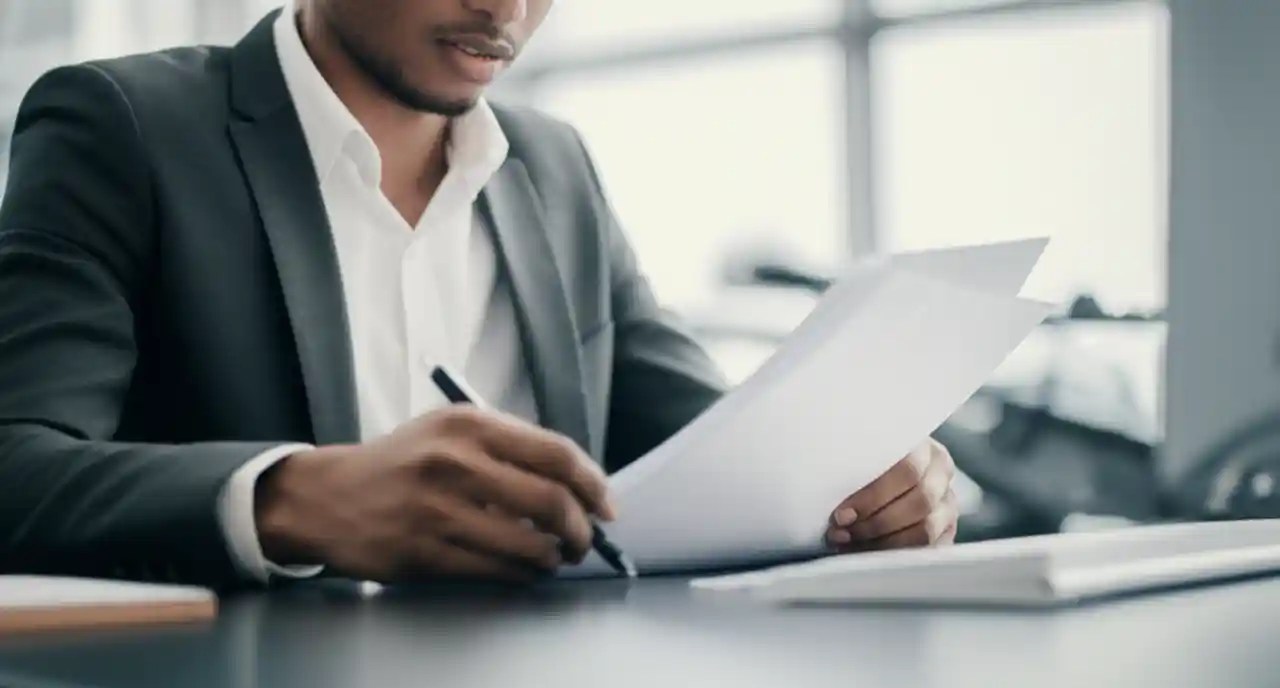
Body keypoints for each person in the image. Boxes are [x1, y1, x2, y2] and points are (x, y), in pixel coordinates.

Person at [0, 0, 959, 589]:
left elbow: (711, 449)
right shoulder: (123, 127)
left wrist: (853, 484)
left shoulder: (555, 170)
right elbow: (16, 465)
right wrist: (292, 499)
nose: (506, 6)